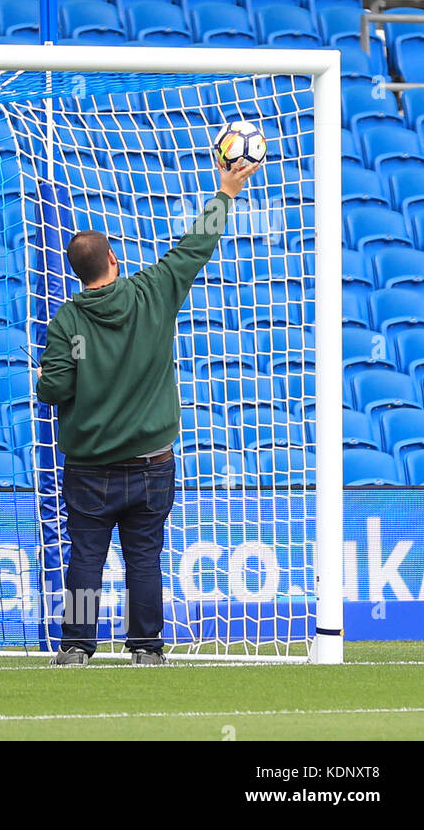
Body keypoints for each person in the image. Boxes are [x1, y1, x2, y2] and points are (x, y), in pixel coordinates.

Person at [35, 156, 262, 666]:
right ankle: (146, 648)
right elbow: (194, 247)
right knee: (144, 558)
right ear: (113, 260)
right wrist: (225, 192)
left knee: (86, 559)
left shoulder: (67, 321)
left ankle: (76, 646)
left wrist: (46, 377)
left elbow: (55, 390)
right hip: (152, 464)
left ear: (77, 271)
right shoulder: (153, 291)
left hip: (89, 468)